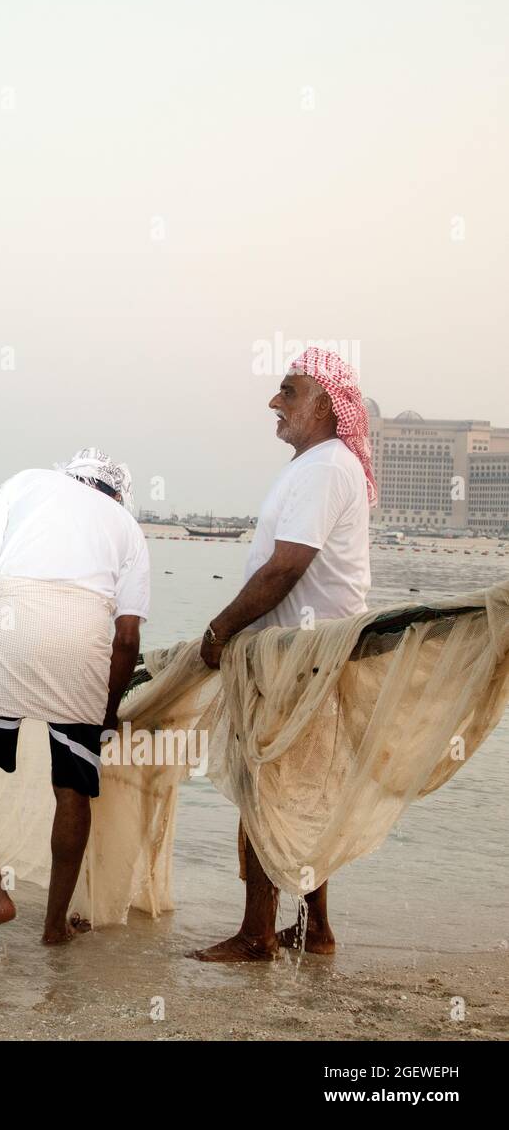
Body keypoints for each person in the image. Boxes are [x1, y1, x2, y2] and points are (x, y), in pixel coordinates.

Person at [192, 347, 374, 963]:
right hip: (306, 653)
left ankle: (257, 935)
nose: (275, 402)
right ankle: (312, 929)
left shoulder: (325, 467)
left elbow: (287, 567)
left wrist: (218, 631)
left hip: (301, 655)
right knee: (301, 789)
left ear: (324, 405)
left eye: (287, 392)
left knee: (268, 787)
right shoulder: (316, 465)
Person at [0, 449, 150, 951]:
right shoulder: (128, 528)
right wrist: (108, 710)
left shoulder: (28, 481)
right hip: (85, 643)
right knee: (72, 787)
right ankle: (53, 928)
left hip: (10, 621)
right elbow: (127, 637)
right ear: (117, 495)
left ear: (71, 474)